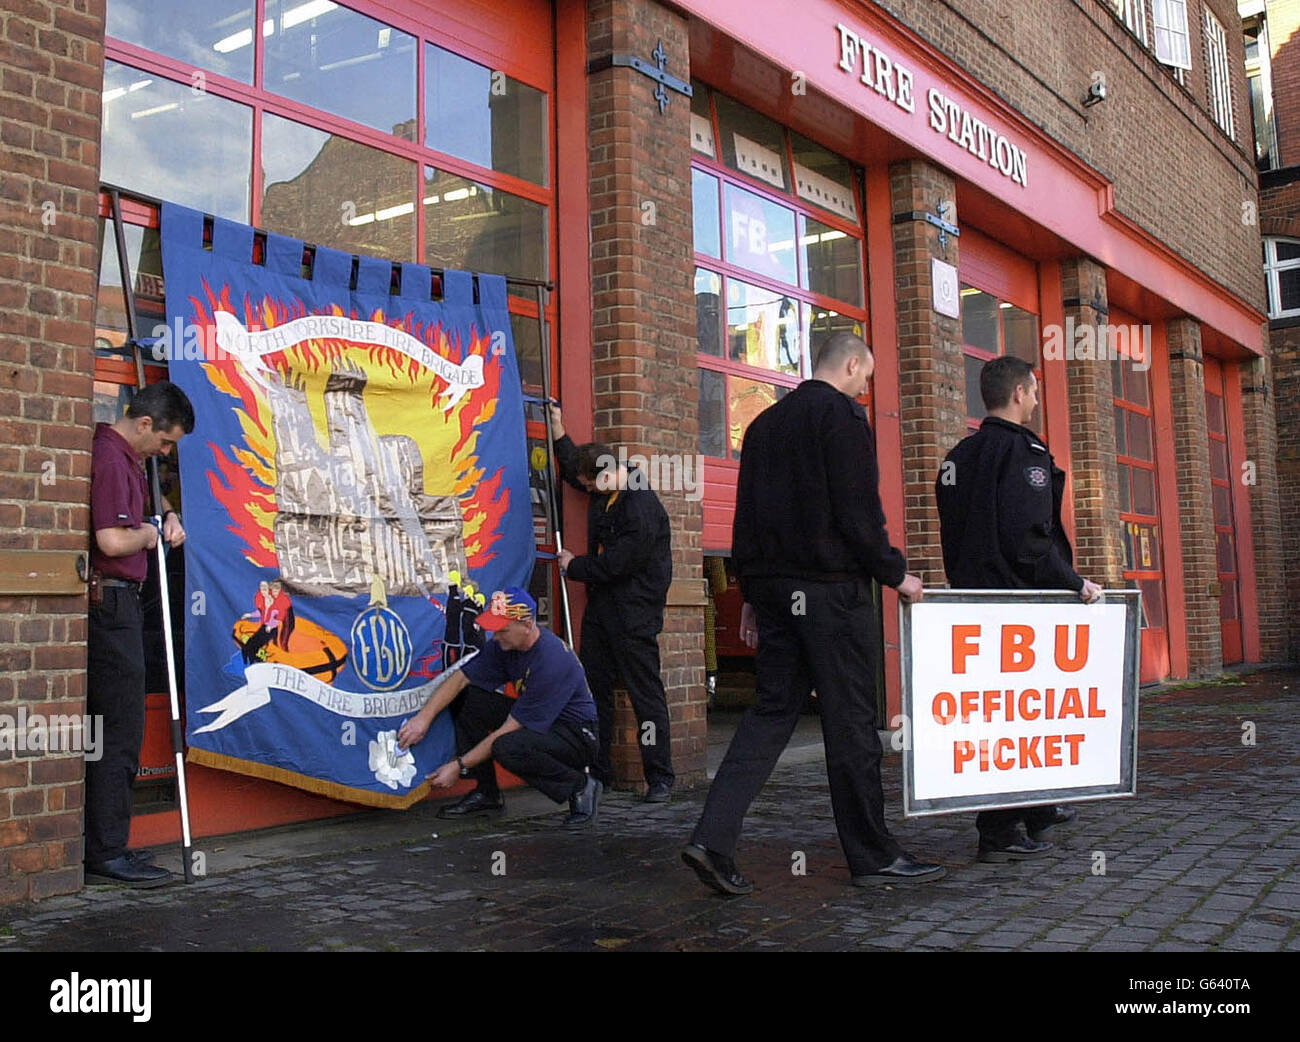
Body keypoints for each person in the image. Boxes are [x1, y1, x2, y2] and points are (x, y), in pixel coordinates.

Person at [683, 332, 945, 896]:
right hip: (832, 596)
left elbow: (744, 518)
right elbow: (858, 512)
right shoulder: (843, 420)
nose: (865, 389)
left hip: (777, 594)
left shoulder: (762, 427)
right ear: (851, 365)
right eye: (866, 377)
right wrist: (895, 572)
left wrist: (750, 592)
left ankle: (712, 838)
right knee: (851, 722)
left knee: (770, 714)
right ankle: (873, 856)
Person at [935, 355, 1104, 863]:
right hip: (1018, 606)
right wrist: (1075, 584)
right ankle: (1001, 829)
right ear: (1017, 394)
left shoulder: (958, 455)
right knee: (1023, 713)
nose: (1035, 399)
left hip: (971, 603)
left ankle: (1036, 805)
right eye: (1033, 391)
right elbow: (1030, 542)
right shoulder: (1025, 454)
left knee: (1000, 713)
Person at [85, 380, 194, 887]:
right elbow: (110, 537)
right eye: (166, 442)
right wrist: (151, 534)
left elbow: (152, 503)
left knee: (119, 727)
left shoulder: (129, 460)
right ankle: (106, 849)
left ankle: (108, 843)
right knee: (119, 728)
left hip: (120, 602)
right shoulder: (110, 456)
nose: (165, 453)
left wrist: (166, 511)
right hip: (113, 605)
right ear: (145, 424)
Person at [549, 406, 675, 803]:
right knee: (594, 688)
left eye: (590, 487)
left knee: (645, 694)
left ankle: (660, 777)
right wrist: (557, 431)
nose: (585, 492)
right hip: (604, 610)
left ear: (606, 476)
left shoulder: (640, 507)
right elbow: (574, 467)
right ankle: (599, 771)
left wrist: (575, 566)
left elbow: (620, 563)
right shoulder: (606, 479)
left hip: (635, 613)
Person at [397, 587, 602, 827]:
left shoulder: (551, 661)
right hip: (542, 723)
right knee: (468, 698)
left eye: (502, 630)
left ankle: (580, 786)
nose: (495, 636)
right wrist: (424, 718)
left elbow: (509, 729)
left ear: (526, 625)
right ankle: (487, 793)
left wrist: (458, 765)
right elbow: (461, 677)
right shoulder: (504, 645)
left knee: (507, 747)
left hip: (577, 735)